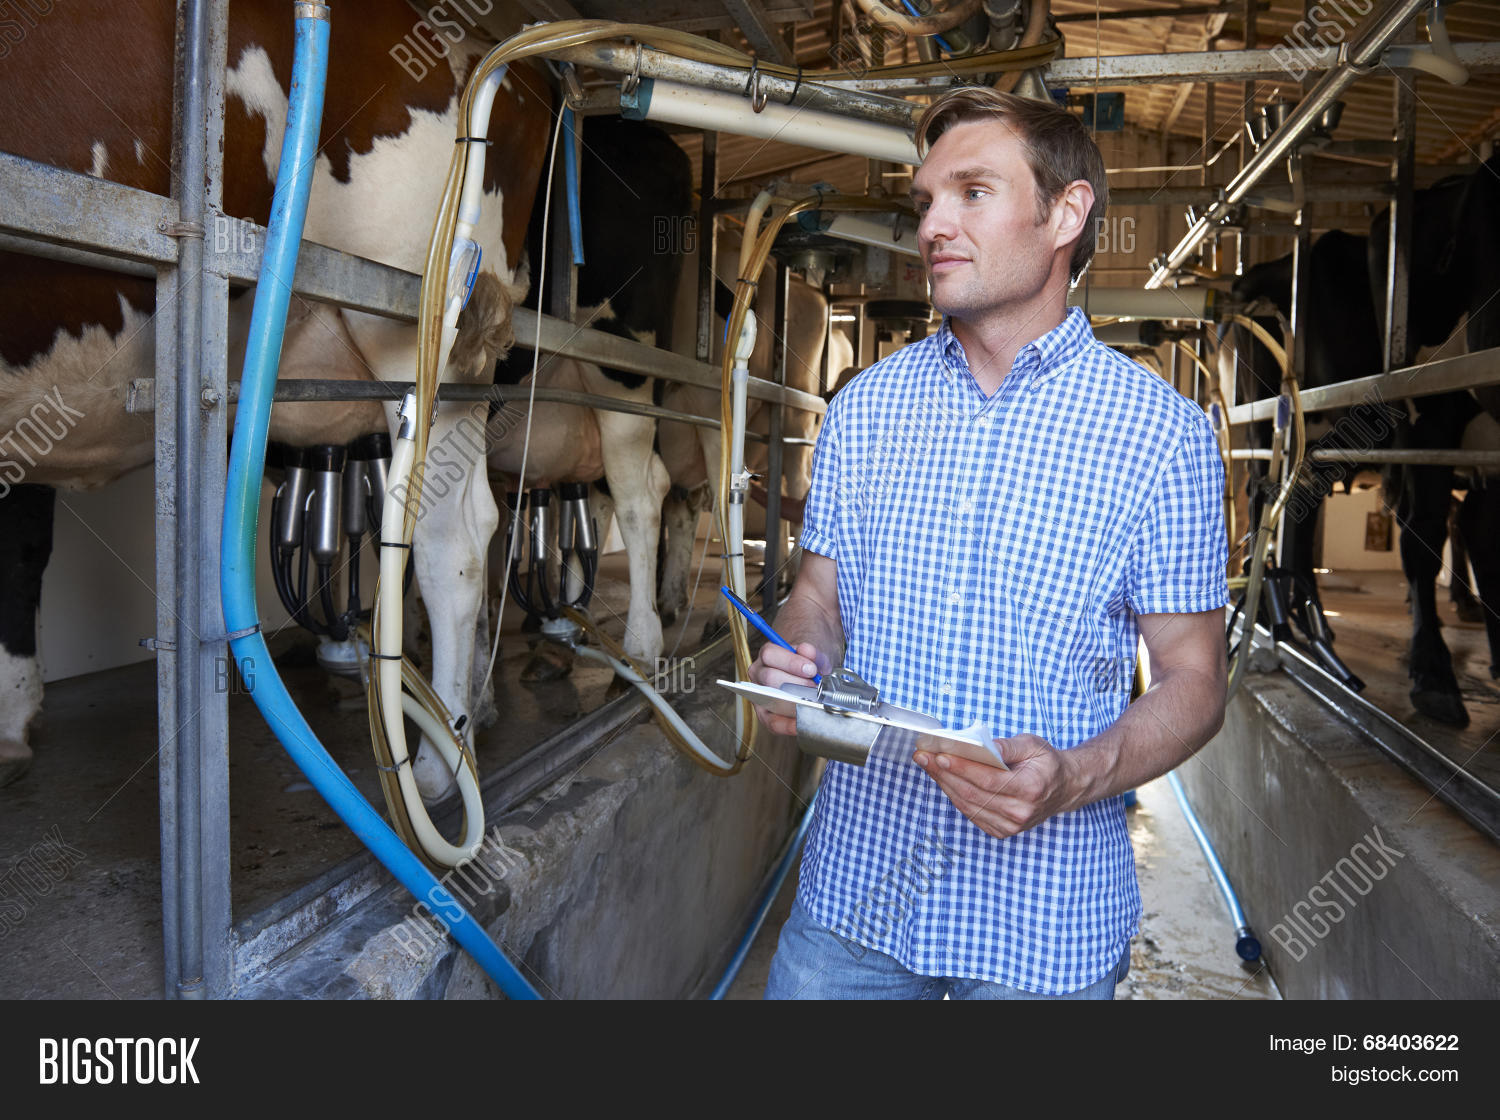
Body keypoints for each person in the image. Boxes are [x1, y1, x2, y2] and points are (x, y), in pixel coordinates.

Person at [750, 86, 1229, 1000]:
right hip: (852, 912)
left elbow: (1195, 681)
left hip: (1042, 937)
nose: (934, 224)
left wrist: (1077, 776)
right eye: (925, 200)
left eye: (972, 192)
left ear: (1066, 214)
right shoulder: (864, 409)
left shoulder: (1161, 437)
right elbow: (818, 597)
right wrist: (802, 657)